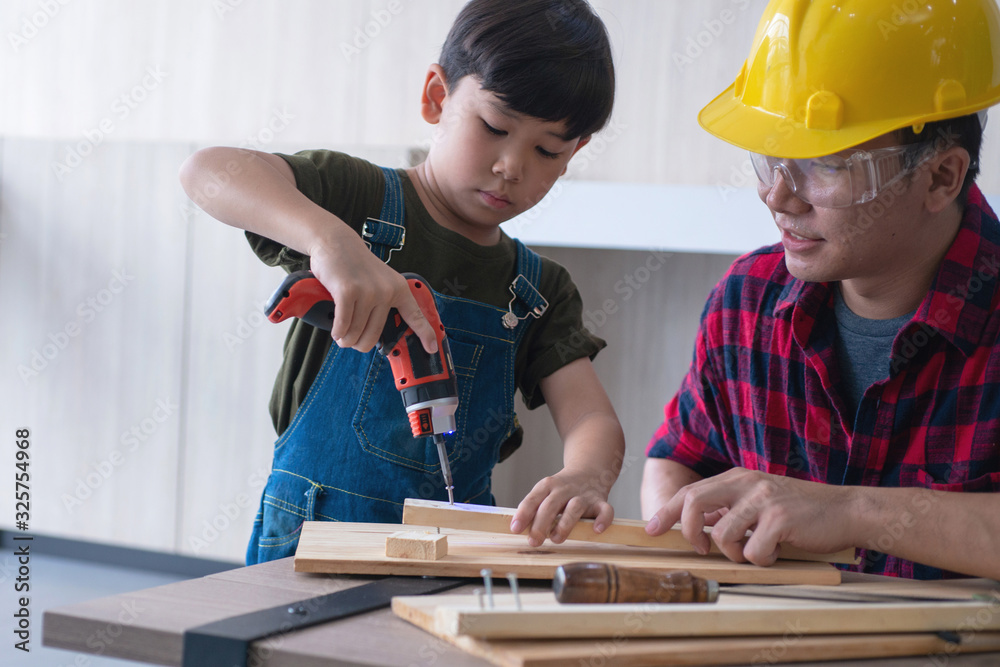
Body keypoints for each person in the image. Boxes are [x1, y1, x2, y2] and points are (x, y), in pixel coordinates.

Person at [180, 0, 625, 565]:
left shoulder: (538, 291)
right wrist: (328, 239)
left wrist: (586, 475)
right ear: (438, 98)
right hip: (310, 543)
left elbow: (591, 417)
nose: (512, 166)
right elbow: (207, 172)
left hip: (452, 553)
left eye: (546, 150)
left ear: (574, 153)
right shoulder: (356, 200)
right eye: (494, 127)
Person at [641, 0, 1000, 580]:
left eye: (825, 164)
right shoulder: (745, 304)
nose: (778, 197)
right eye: (771, 157)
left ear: (941, 176)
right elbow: (679, 461)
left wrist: (854, 511)